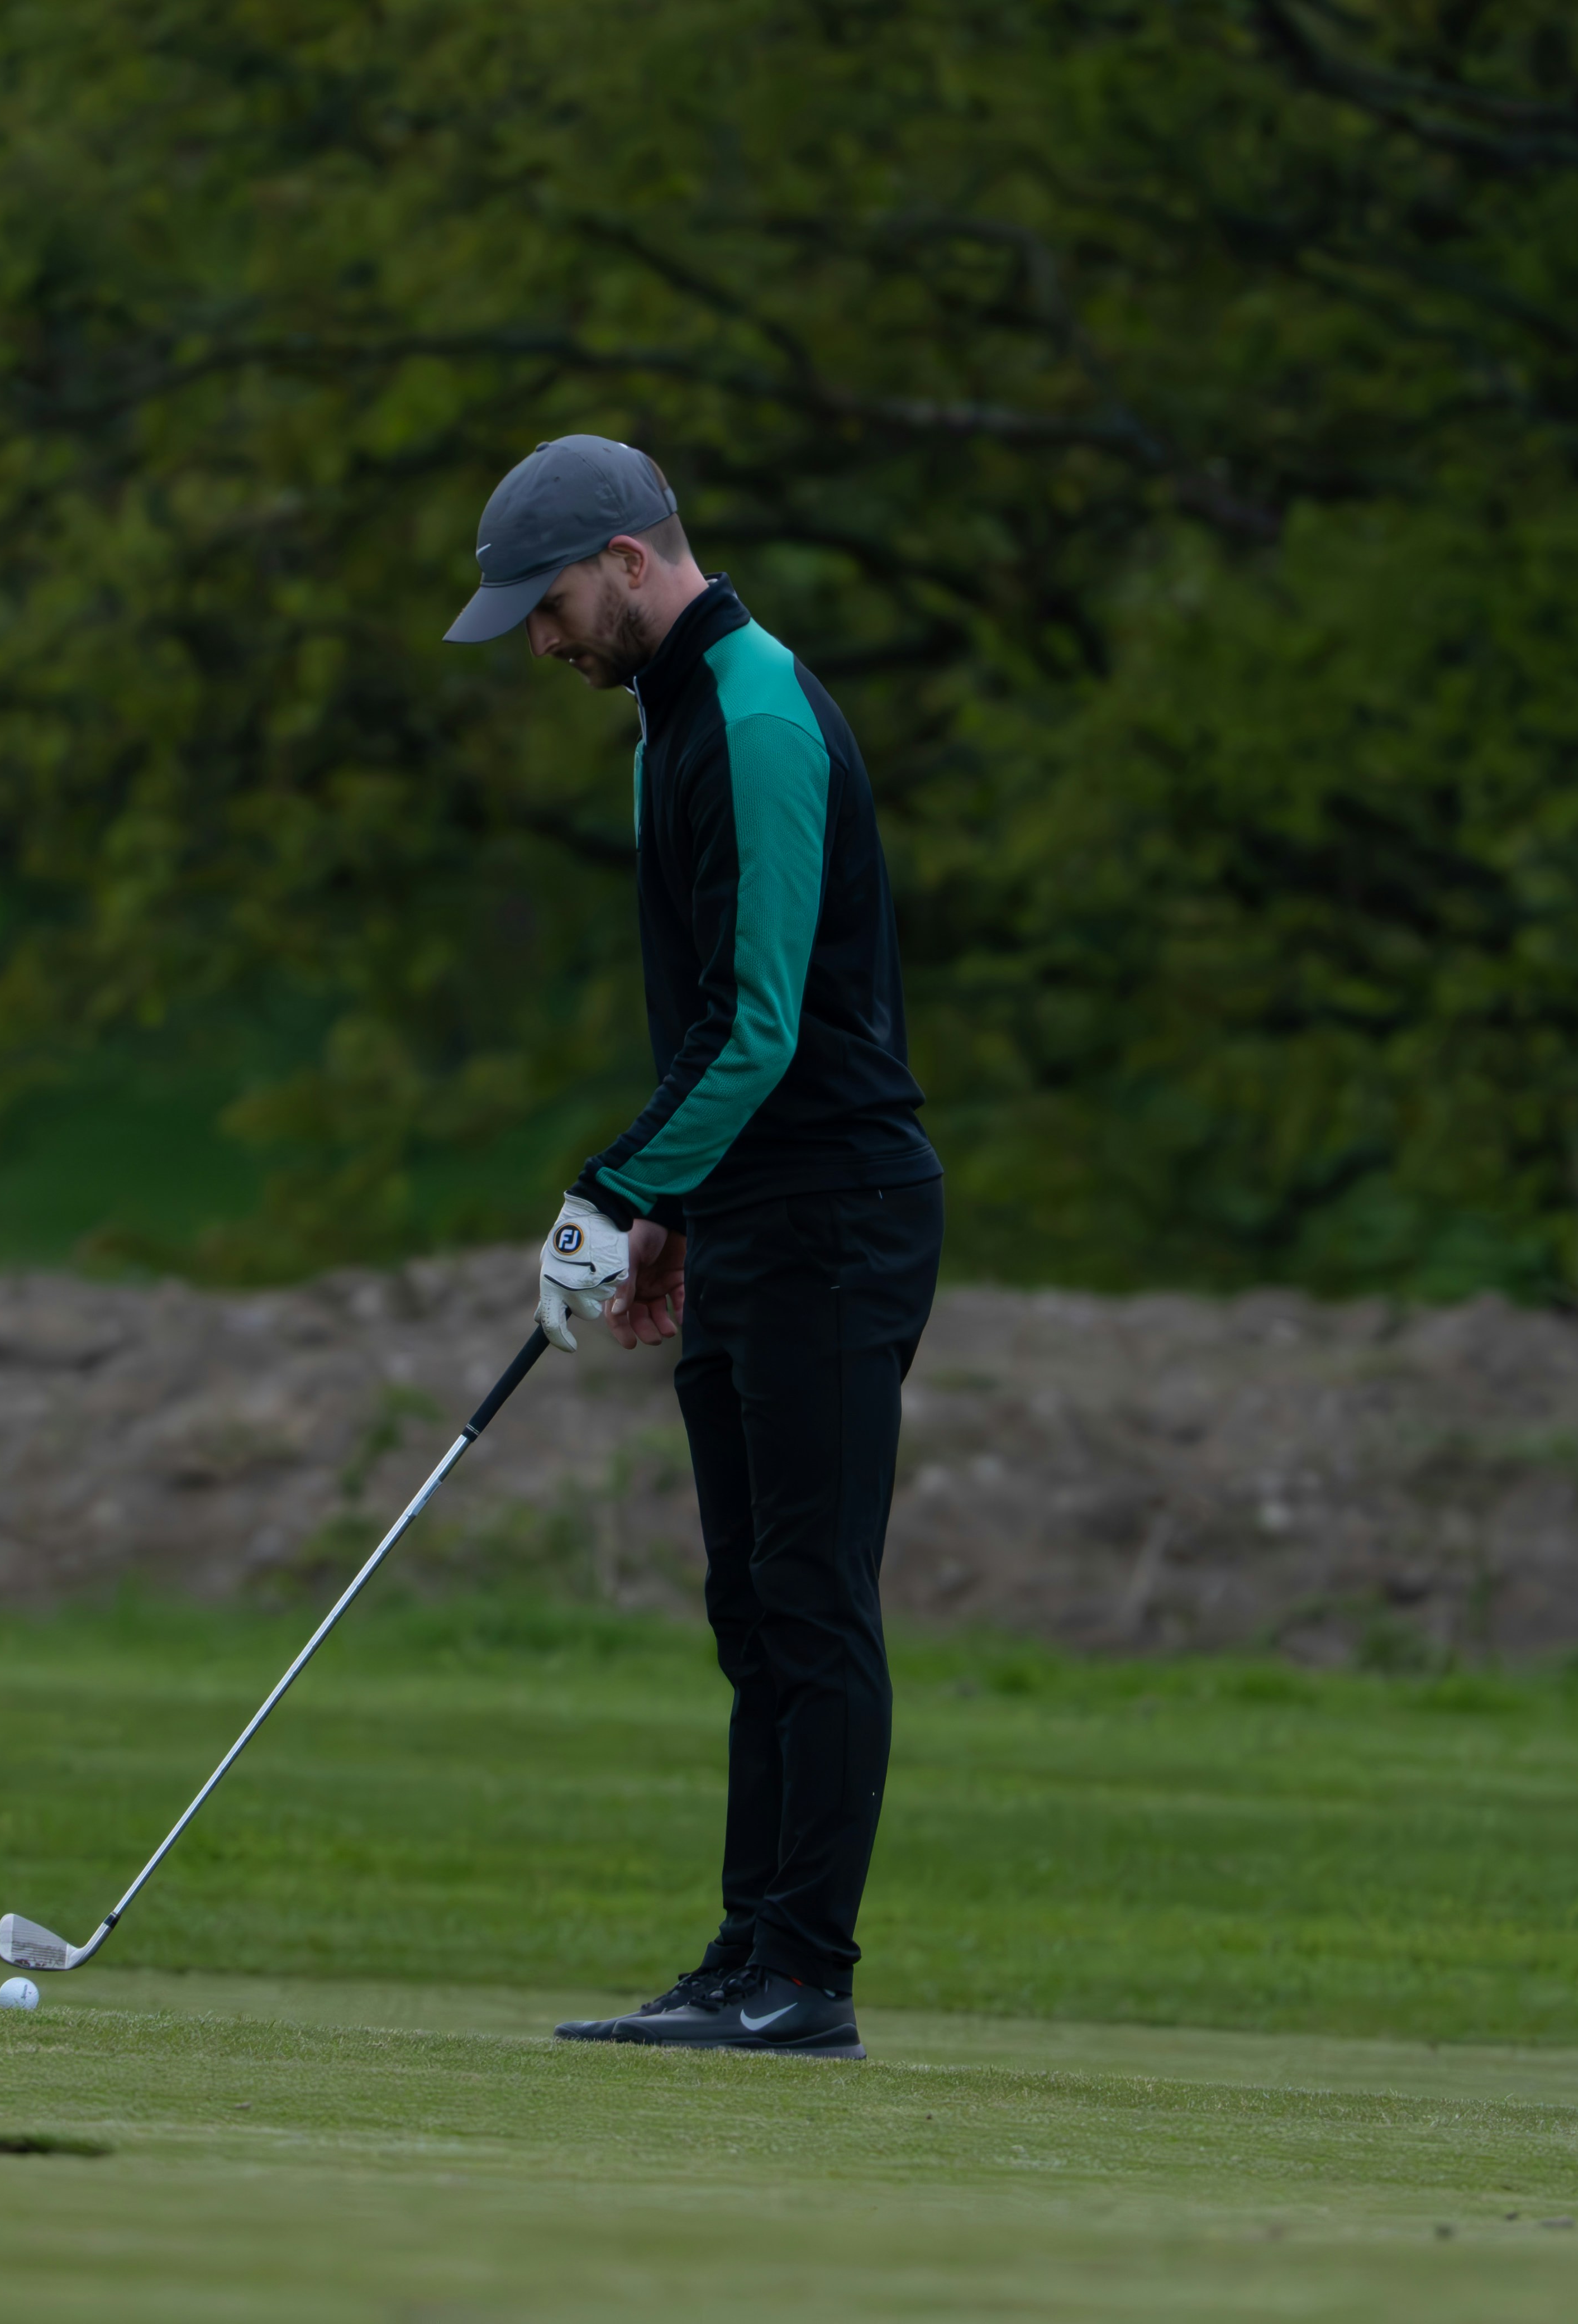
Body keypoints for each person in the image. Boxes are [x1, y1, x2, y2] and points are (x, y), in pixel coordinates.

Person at [443, 436, 942, 2061]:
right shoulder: (667, 728)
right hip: (754, 1216)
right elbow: (721, 1029)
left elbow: (761, 1020)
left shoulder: (758, 715)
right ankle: (746, 1960)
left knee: (812, 1594)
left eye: (554, 602)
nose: (541, 638)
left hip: (841, 1212)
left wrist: (615, 1184)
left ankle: (809, 1975)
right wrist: (675, 1212)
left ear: (637, 561)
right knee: (750, 1602)